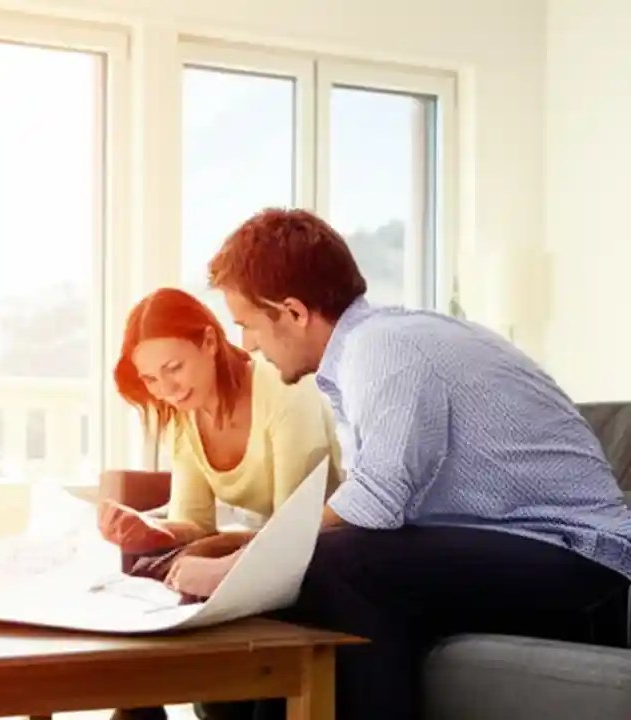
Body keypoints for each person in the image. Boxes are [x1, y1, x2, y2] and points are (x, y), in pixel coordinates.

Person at [181, 207, 631, 720]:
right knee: (314, 575)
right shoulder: (373, 349)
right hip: (531, 550)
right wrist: (248, 561)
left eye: (249, 325)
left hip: (583, 559)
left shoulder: (381, 350)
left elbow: (376, 503)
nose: (247, 345)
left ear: (294, 312)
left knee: (337, 565)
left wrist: (238, 567)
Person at [99, 287, 343, 720]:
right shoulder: (185, 415)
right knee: (140, 575)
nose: (167, 390)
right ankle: (140, 705)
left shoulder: (284, 389)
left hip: (323, 550)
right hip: (258, 556)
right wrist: (147, 530)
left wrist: (210, 549)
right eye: (151, 379)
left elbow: (295, 531)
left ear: (210, 342)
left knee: (190, 567)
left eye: (174, 368)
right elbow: (194, 521)